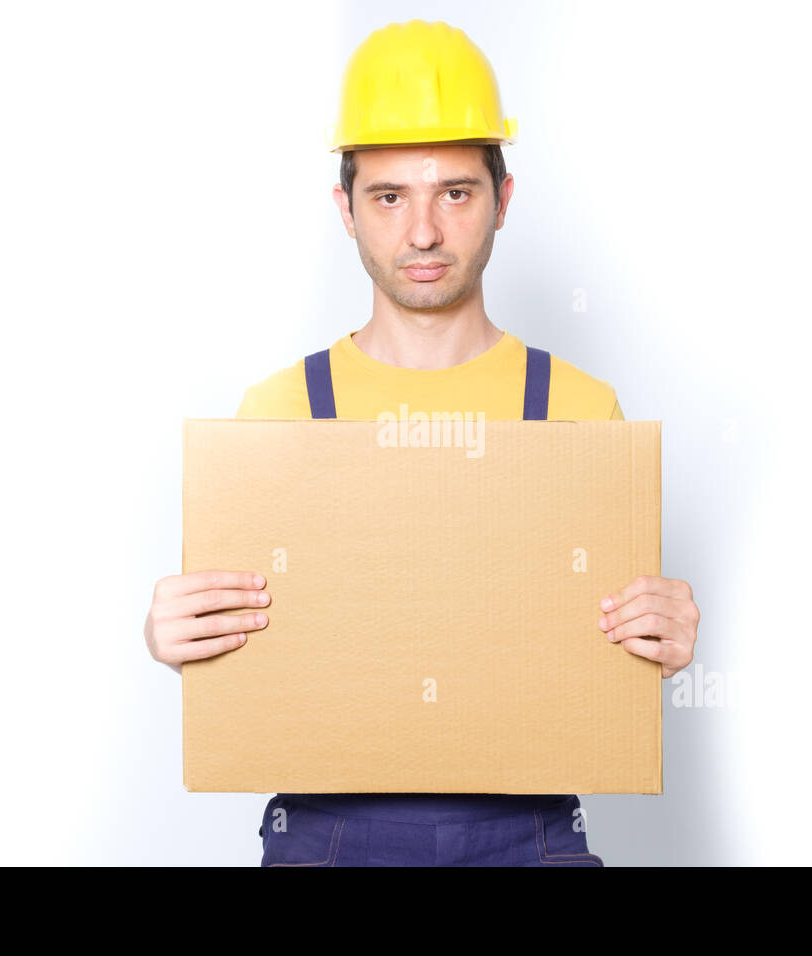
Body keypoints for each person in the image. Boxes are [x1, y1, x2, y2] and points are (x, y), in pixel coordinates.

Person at [143, 18, 700, 866]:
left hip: (530, 835)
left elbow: (610, 665)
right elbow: (241, 655)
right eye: (390, 196)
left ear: (503, 200)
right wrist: (169, 637)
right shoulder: (278, 411)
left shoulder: (582, 412)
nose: (425, 232)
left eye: (456, 192)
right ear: (346, 208)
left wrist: (664, 638)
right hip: (327, 835)